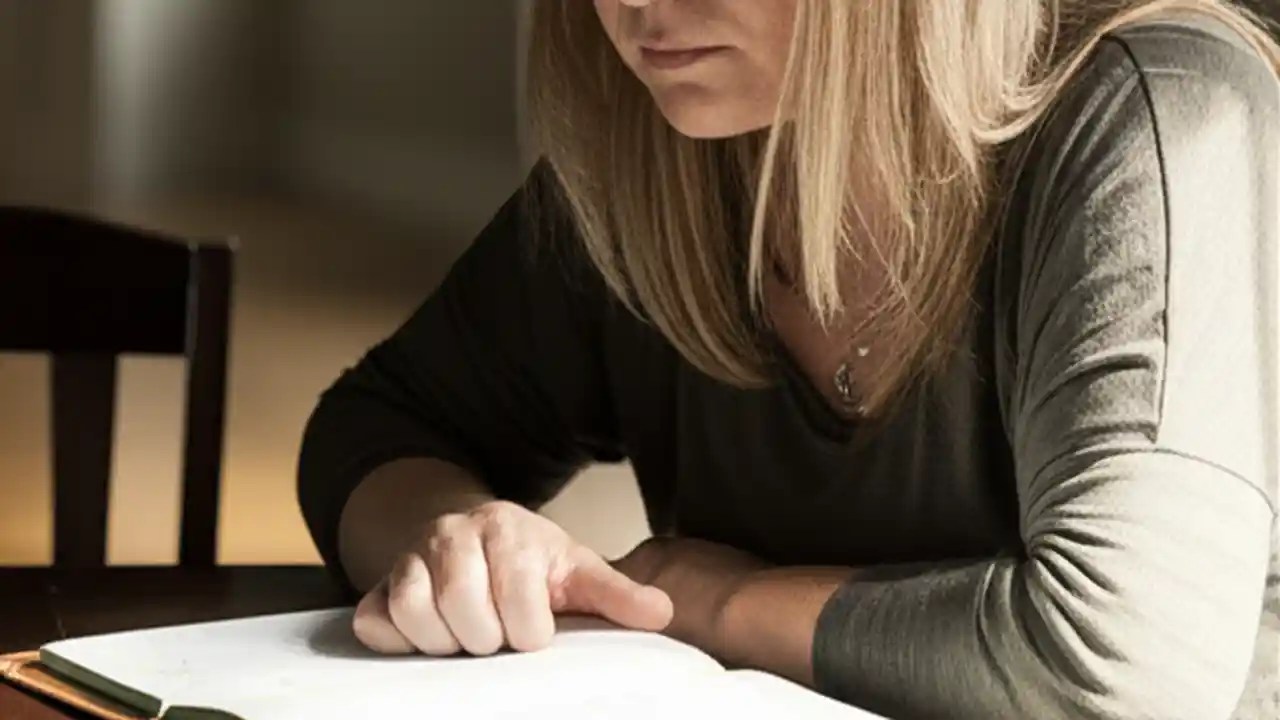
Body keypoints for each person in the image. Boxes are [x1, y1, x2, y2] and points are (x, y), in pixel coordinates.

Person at [297, 1, 1280, 718]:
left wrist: (709, 602)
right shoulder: (650, 162)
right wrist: (458, 546)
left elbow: (1123, 663)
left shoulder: (1162, 109)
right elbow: (379, 425)